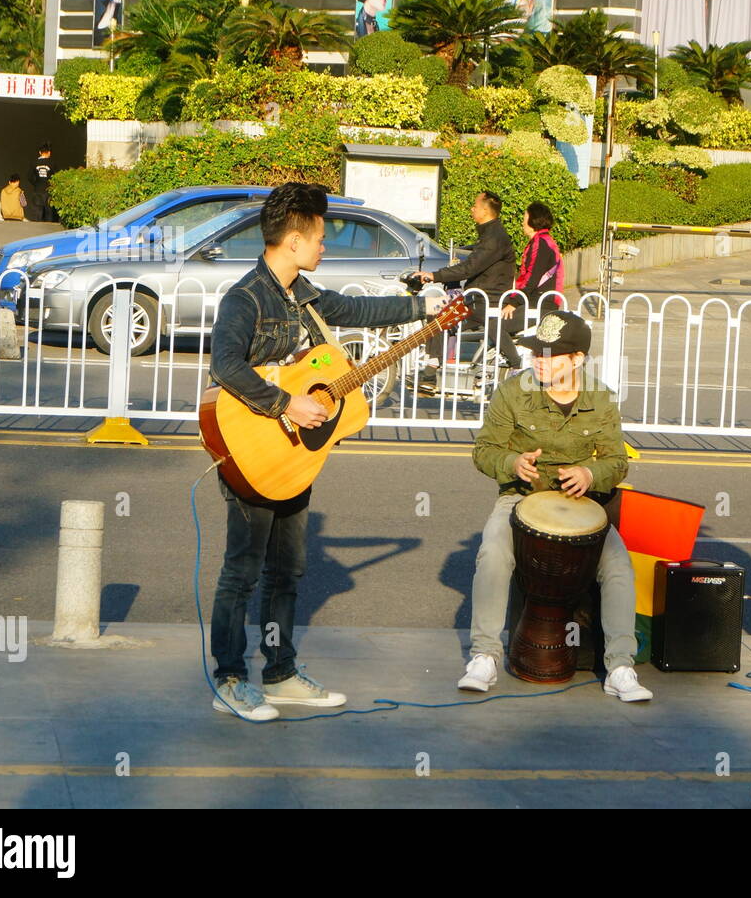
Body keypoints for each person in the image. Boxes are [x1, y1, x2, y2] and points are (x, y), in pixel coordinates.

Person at [207, 182, 444, 721]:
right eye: (317, 238)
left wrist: (420, 306)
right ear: (292, 240)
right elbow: (225, 366)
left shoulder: (305, 295)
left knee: (286, 570)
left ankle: (280, 671)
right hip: (251, 448)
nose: (323, 247)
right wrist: (286, 402)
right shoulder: (245, 298)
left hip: (295, 455)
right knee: (242, 569)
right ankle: (228, 676)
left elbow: (358, 309)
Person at [458, 309, 653, 703]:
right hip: (521, 498)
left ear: (578, 359)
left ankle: (620, 666)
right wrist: (512, 463)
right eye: (536, 354)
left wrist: (589, 473)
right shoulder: (513, 392)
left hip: (580, 504)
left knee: (617, 566)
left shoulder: (600, 398)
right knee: (493, 552)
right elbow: (483, 452)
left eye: (551, 355)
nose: (540, 362)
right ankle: (484, 656)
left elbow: (617, 461)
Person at [412, 190, 521, 388]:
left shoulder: (494, 238)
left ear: (486, 211)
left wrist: (434, 276)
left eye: (475, 206)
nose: (472, 209)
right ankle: (430, 372)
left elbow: (470, 267)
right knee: (437, 317)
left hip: (484, 302)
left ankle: (429, 375)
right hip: (476, 299)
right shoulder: (490, 234)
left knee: (439, 317)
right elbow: (474, 259)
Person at [501, 201, 564, 341]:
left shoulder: (540, 243)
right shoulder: (542, 241)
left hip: (540, 304)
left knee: (496, 326)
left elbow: (532, 278)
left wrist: (513, 303)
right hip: (540, 301)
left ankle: (514, 362)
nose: (522, 222)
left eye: (525, 218)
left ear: (533, 220)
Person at [28, 143, 55, 223]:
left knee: (37, 213)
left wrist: (36, 184)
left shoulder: (34, 163)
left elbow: (29, 176)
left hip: (37, 191)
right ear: (49, 152)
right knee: (49, 213)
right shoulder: (52, 163)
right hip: (48, 191)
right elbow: (57, 176)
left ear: (40, 152)